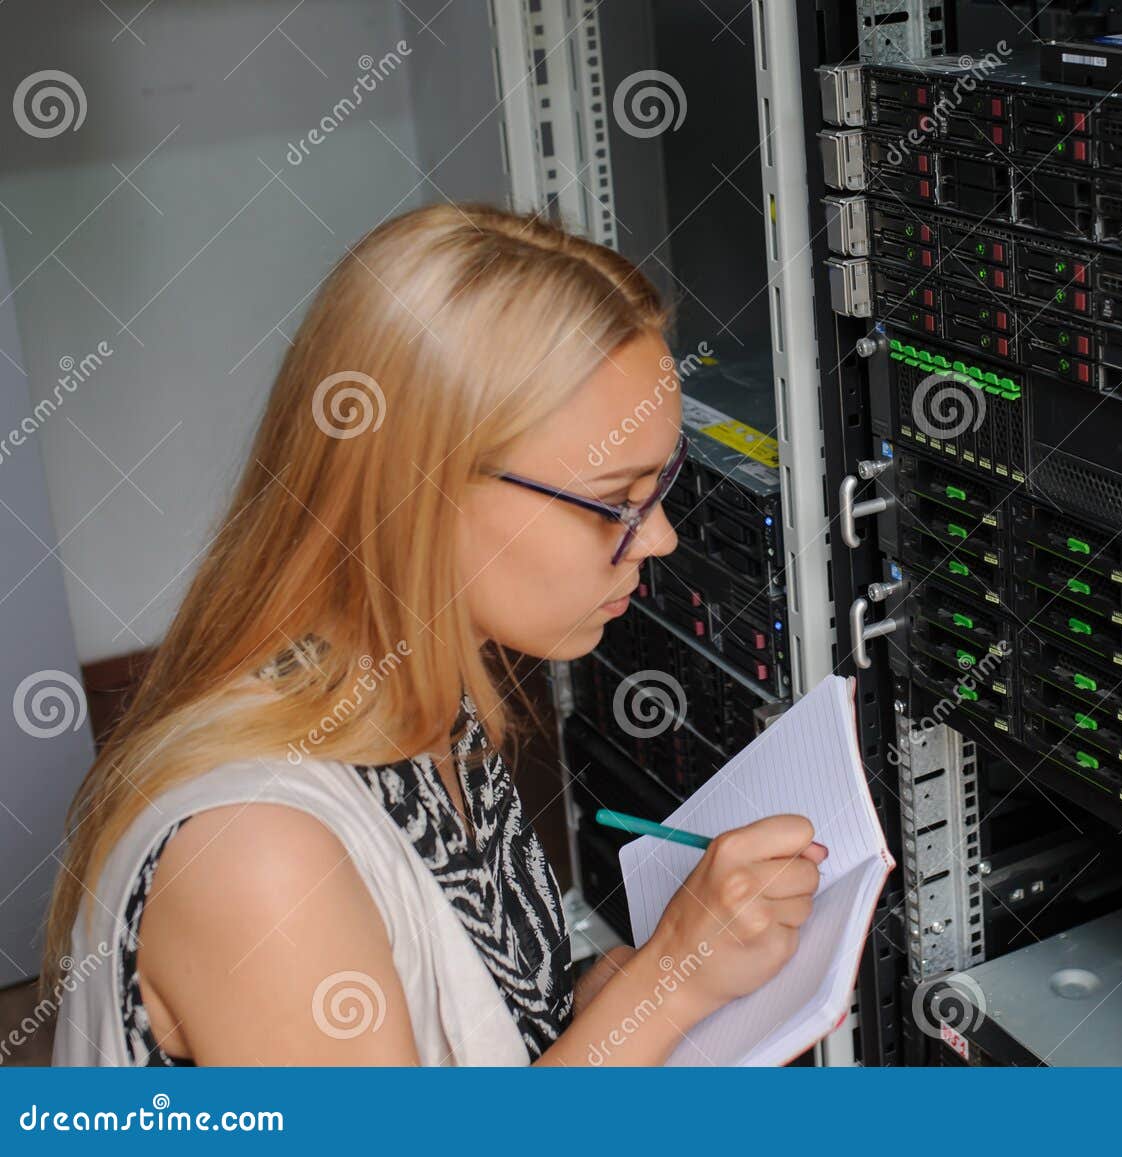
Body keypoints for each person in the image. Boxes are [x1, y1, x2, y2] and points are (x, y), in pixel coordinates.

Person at [43, 203, 824, 1066]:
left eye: (663, 479)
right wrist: (671, 981)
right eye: (618, 497)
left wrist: (590, 1016)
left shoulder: (422, 705)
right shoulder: (259, 859)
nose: (662, 535)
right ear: (424, 491)